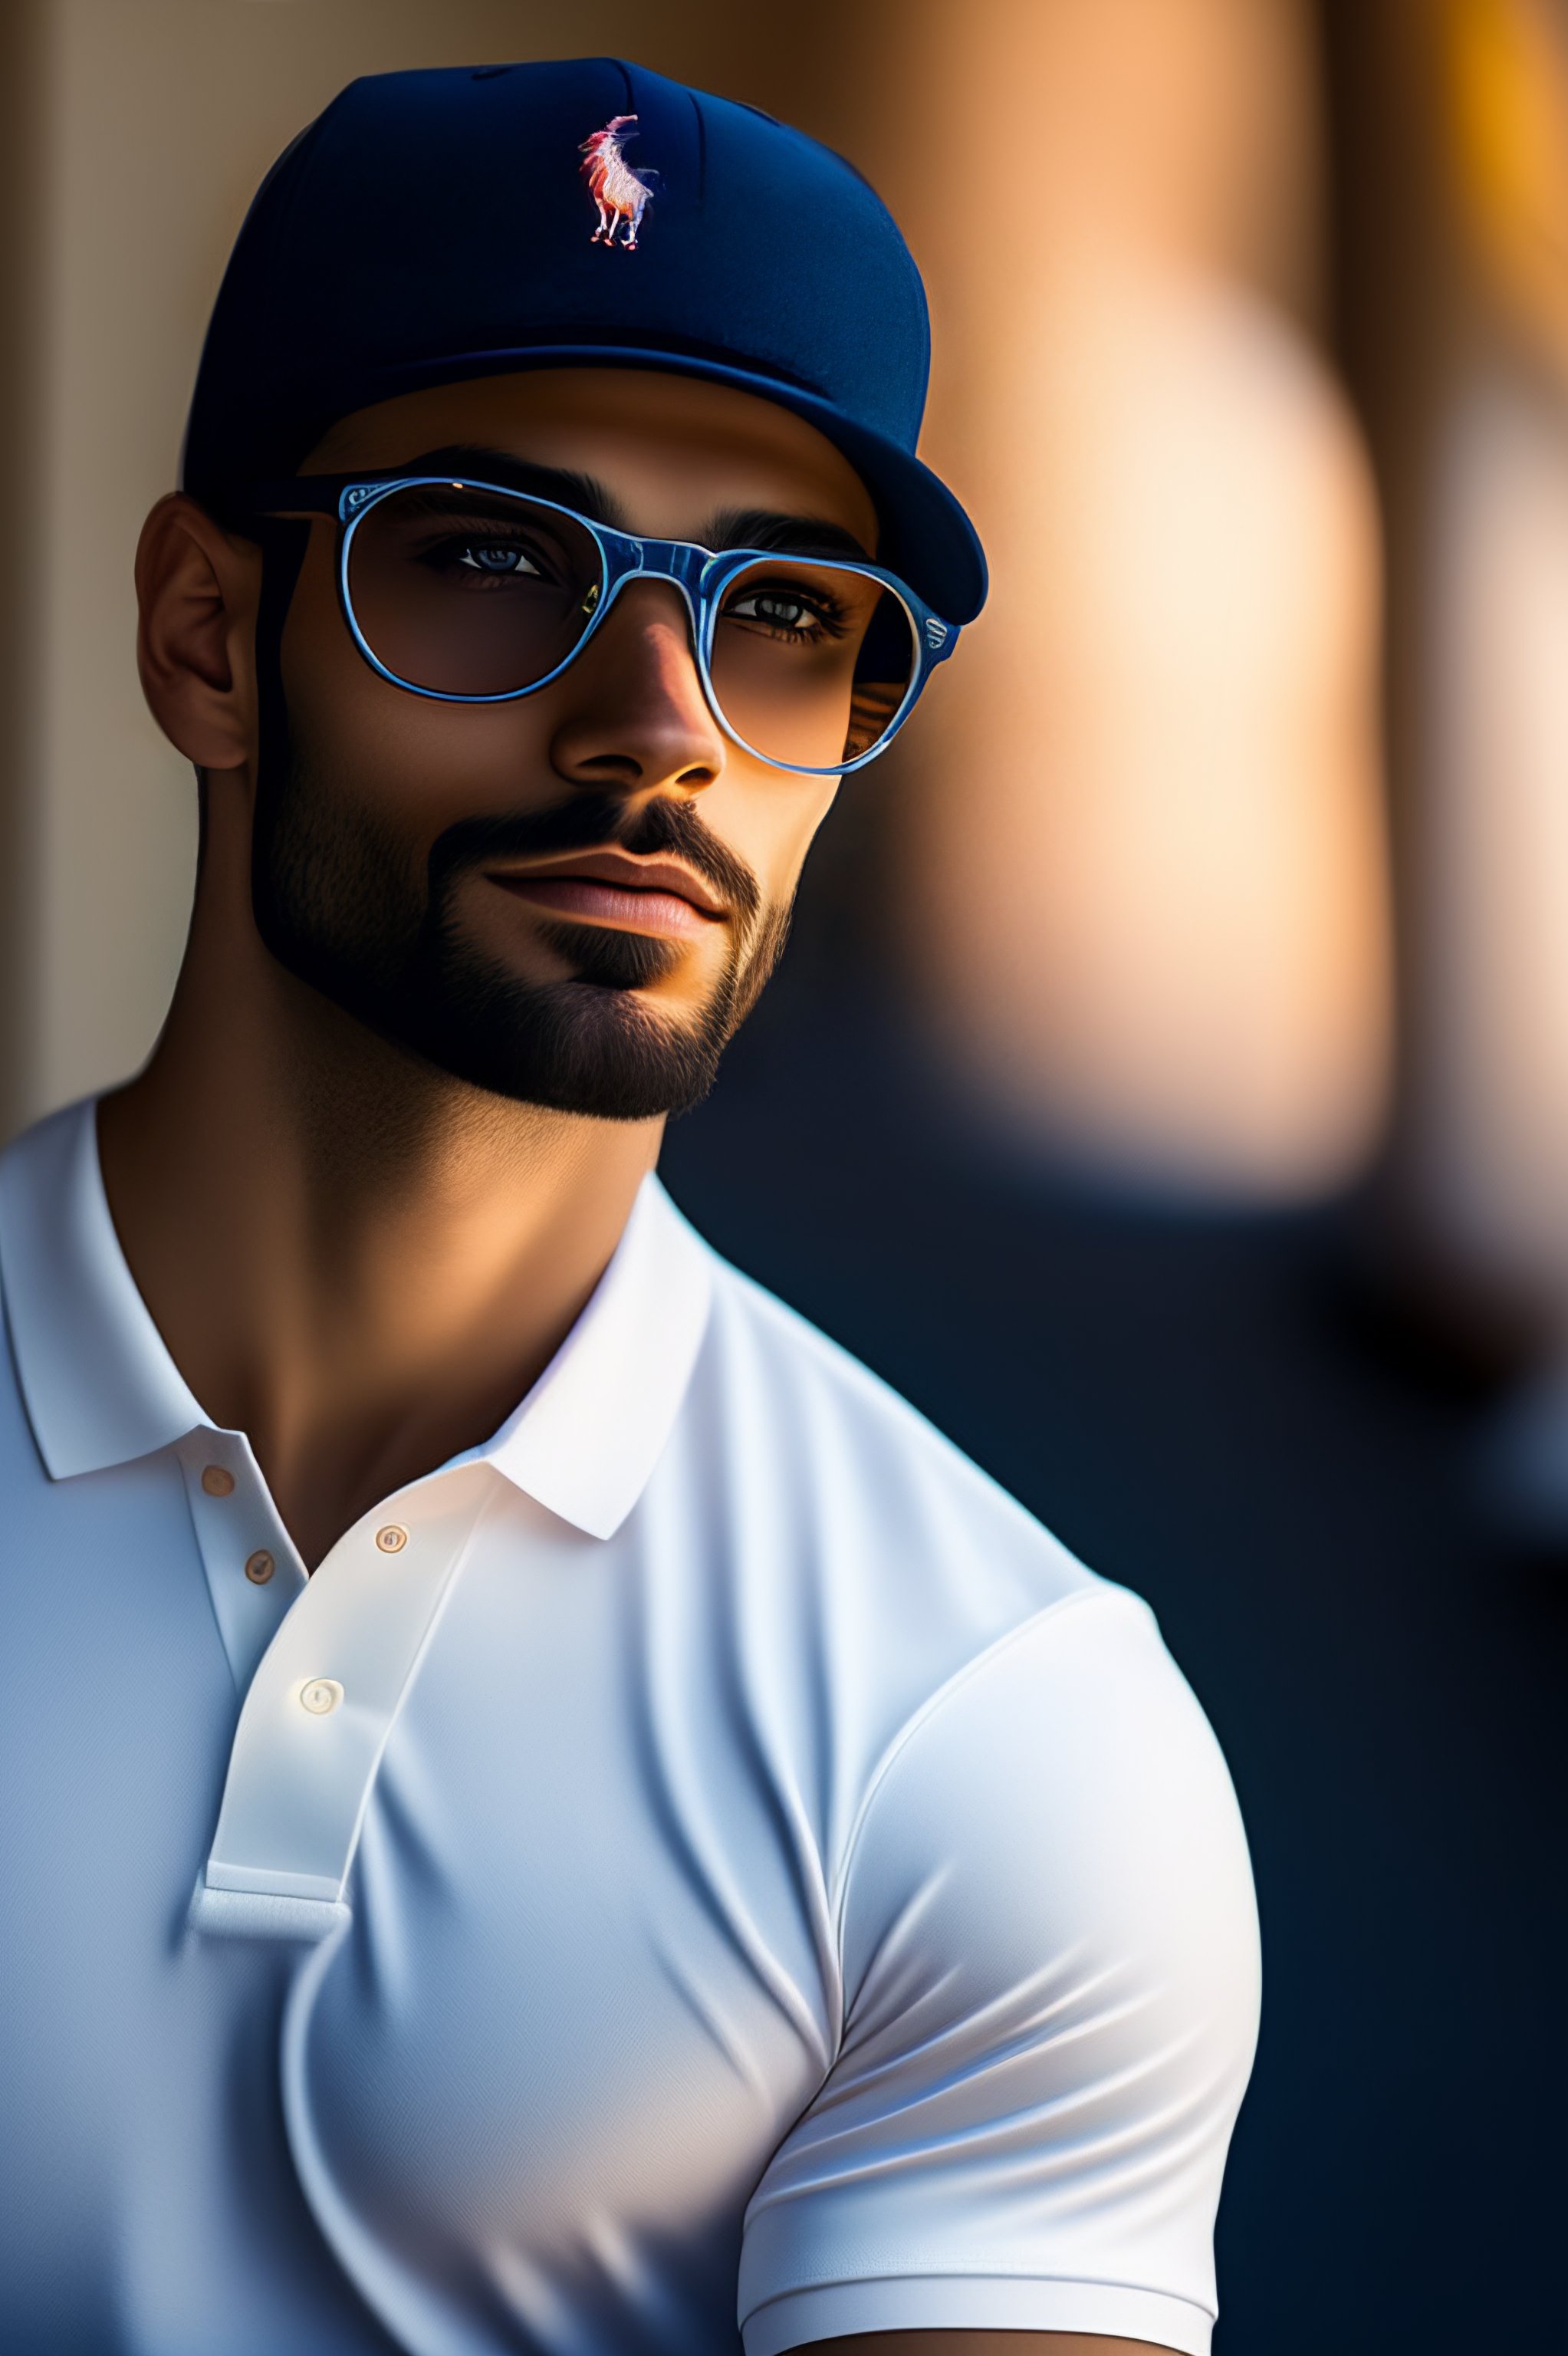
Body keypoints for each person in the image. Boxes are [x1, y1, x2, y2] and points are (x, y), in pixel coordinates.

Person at [0, 58, 1259, 2356]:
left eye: (786, 609)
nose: (662, 720)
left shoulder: (990, 1741)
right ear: (207, 637)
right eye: (491, 558)